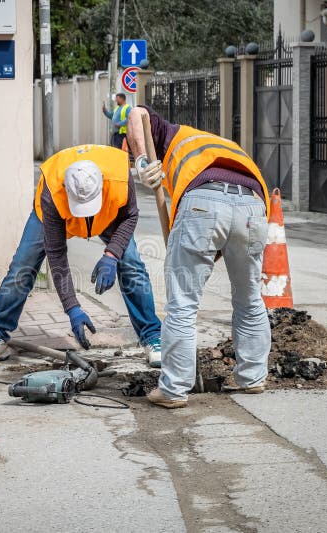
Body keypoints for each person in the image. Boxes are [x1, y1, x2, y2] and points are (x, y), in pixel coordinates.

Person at [125, 106, 272, 408]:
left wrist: (141, 161)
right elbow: (223, 236)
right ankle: (253, 378)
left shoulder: (170, 134)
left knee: (182, 303)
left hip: (203, 200)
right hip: (253, 208)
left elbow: (135, 112)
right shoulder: (219, 146)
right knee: (250, 299)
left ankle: (174, 389)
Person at [0, 144, 162, 367]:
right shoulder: (52, 192)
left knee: (132, 264)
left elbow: (130, 216)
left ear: (102, 185)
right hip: (57, 214)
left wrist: (111, 254)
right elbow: (57, 254)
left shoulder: (119, 176)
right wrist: (73, 308)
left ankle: (152, 336)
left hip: (109, 215)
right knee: (22, 266)